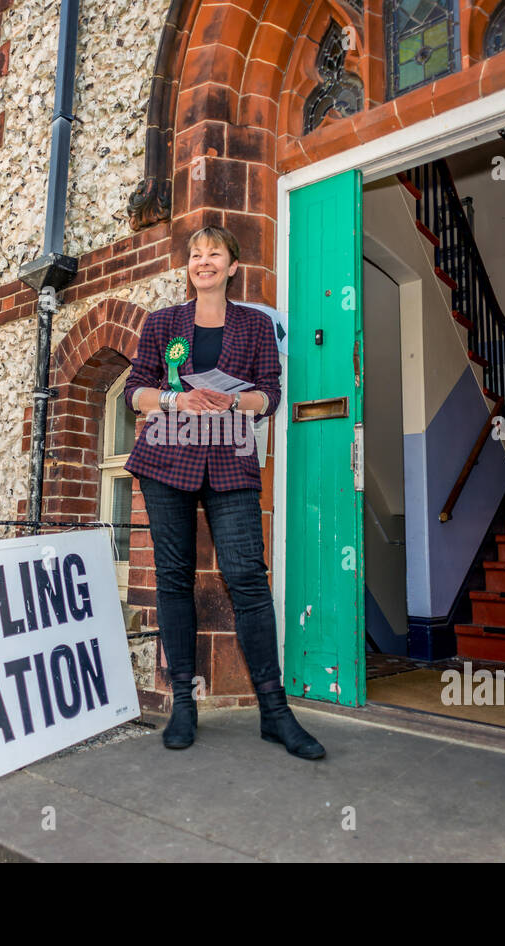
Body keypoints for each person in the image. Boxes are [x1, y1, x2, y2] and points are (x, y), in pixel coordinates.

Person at [122, 225, 325, 760]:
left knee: (247, 578)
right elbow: (133, 390)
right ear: (188, 266)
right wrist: (175, 401)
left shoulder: (256, 325)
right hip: (167, 457)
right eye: (195, 254)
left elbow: (271, 394)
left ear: (233, 266)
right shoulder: (162, 322)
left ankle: (275, 712)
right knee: (173, 578)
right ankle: (183, 705)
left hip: (230, 461)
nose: (203, 261)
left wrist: (234, 404)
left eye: (214, 253)